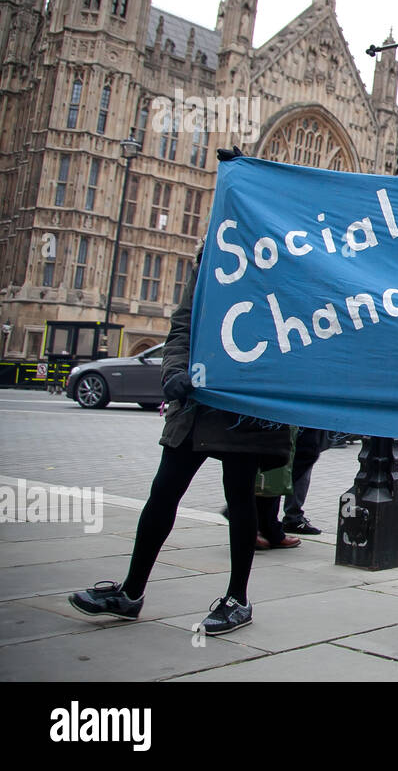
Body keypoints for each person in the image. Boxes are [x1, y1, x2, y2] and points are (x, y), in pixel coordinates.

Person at [68, 179, 292, 635]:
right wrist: (173, 372)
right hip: (193, 405)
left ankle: (238, 599)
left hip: (240, 408)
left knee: (240, 499)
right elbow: (181, 328)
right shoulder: (208, 264)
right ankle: (130, 592)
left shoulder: (278, 273)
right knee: (163, 495)